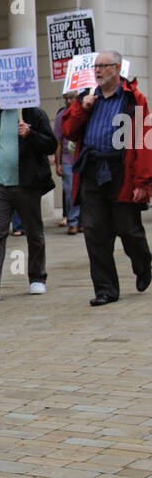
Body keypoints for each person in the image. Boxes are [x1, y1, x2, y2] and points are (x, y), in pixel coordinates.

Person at [61, 51, 152, 305]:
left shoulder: (133, 99)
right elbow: (68, 131)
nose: (98, 70)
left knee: (128, 229)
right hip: (92, 172)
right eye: (96, 66)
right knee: (94, 232)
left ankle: (144, 264)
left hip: (121, 172)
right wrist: (80, 108)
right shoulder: (88, 99)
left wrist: (143, 183)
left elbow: (143, 141)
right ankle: (105, 289)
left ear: (117, 68)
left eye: (104, 66)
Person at [0, 101, 57, 302]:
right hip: (0, 187)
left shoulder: (34, 114)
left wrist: (31, 134)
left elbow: (51, 145)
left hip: (27, 185)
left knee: (34, 233)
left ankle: (37, 278)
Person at [53, 100, 80, 234]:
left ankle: (82, 220)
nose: (69, 101)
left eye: (71, 97)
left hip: (81, 157)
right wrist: (58, 163)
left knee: (84, 191)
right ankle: (73, 220)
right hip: (67, 159)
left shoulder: (83, 111)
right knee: (69, 191)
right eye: (66, 98)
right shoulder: (61, 117)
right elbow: (57, 141)